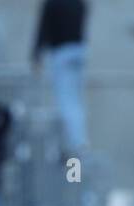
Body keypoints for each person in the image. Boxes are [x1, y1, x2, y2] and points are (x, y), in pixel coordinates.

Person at [33, 0, 89, 155]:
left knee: (65, 99)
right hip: (79, 51)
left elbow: (43, 28)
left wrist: (36, 54)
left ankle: (73, 143)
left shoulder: (53, 3)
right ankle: (78, 139)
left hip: (61, 53)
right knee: (76, 99)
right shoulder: (79, 3)